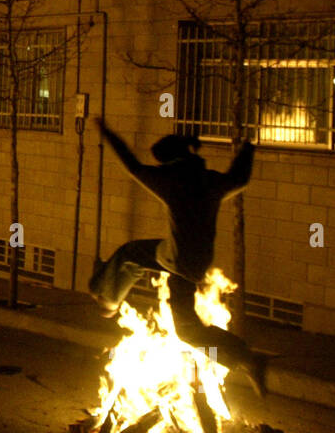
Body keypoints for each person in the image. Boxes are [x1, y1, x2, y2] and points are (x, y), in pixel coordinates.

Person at [89, 118, 268, 397]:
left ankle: (108, 299)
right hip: (193, 258)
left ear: (168, 162)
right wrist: (248, 146)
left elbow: (131, 165)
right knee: (133, 253)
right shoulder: (211, 181)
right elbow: (240, 178)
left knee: (186, 331)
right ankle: (107, 294)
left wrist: (108, 133)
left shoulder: (171, 179)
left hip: (179, 262)